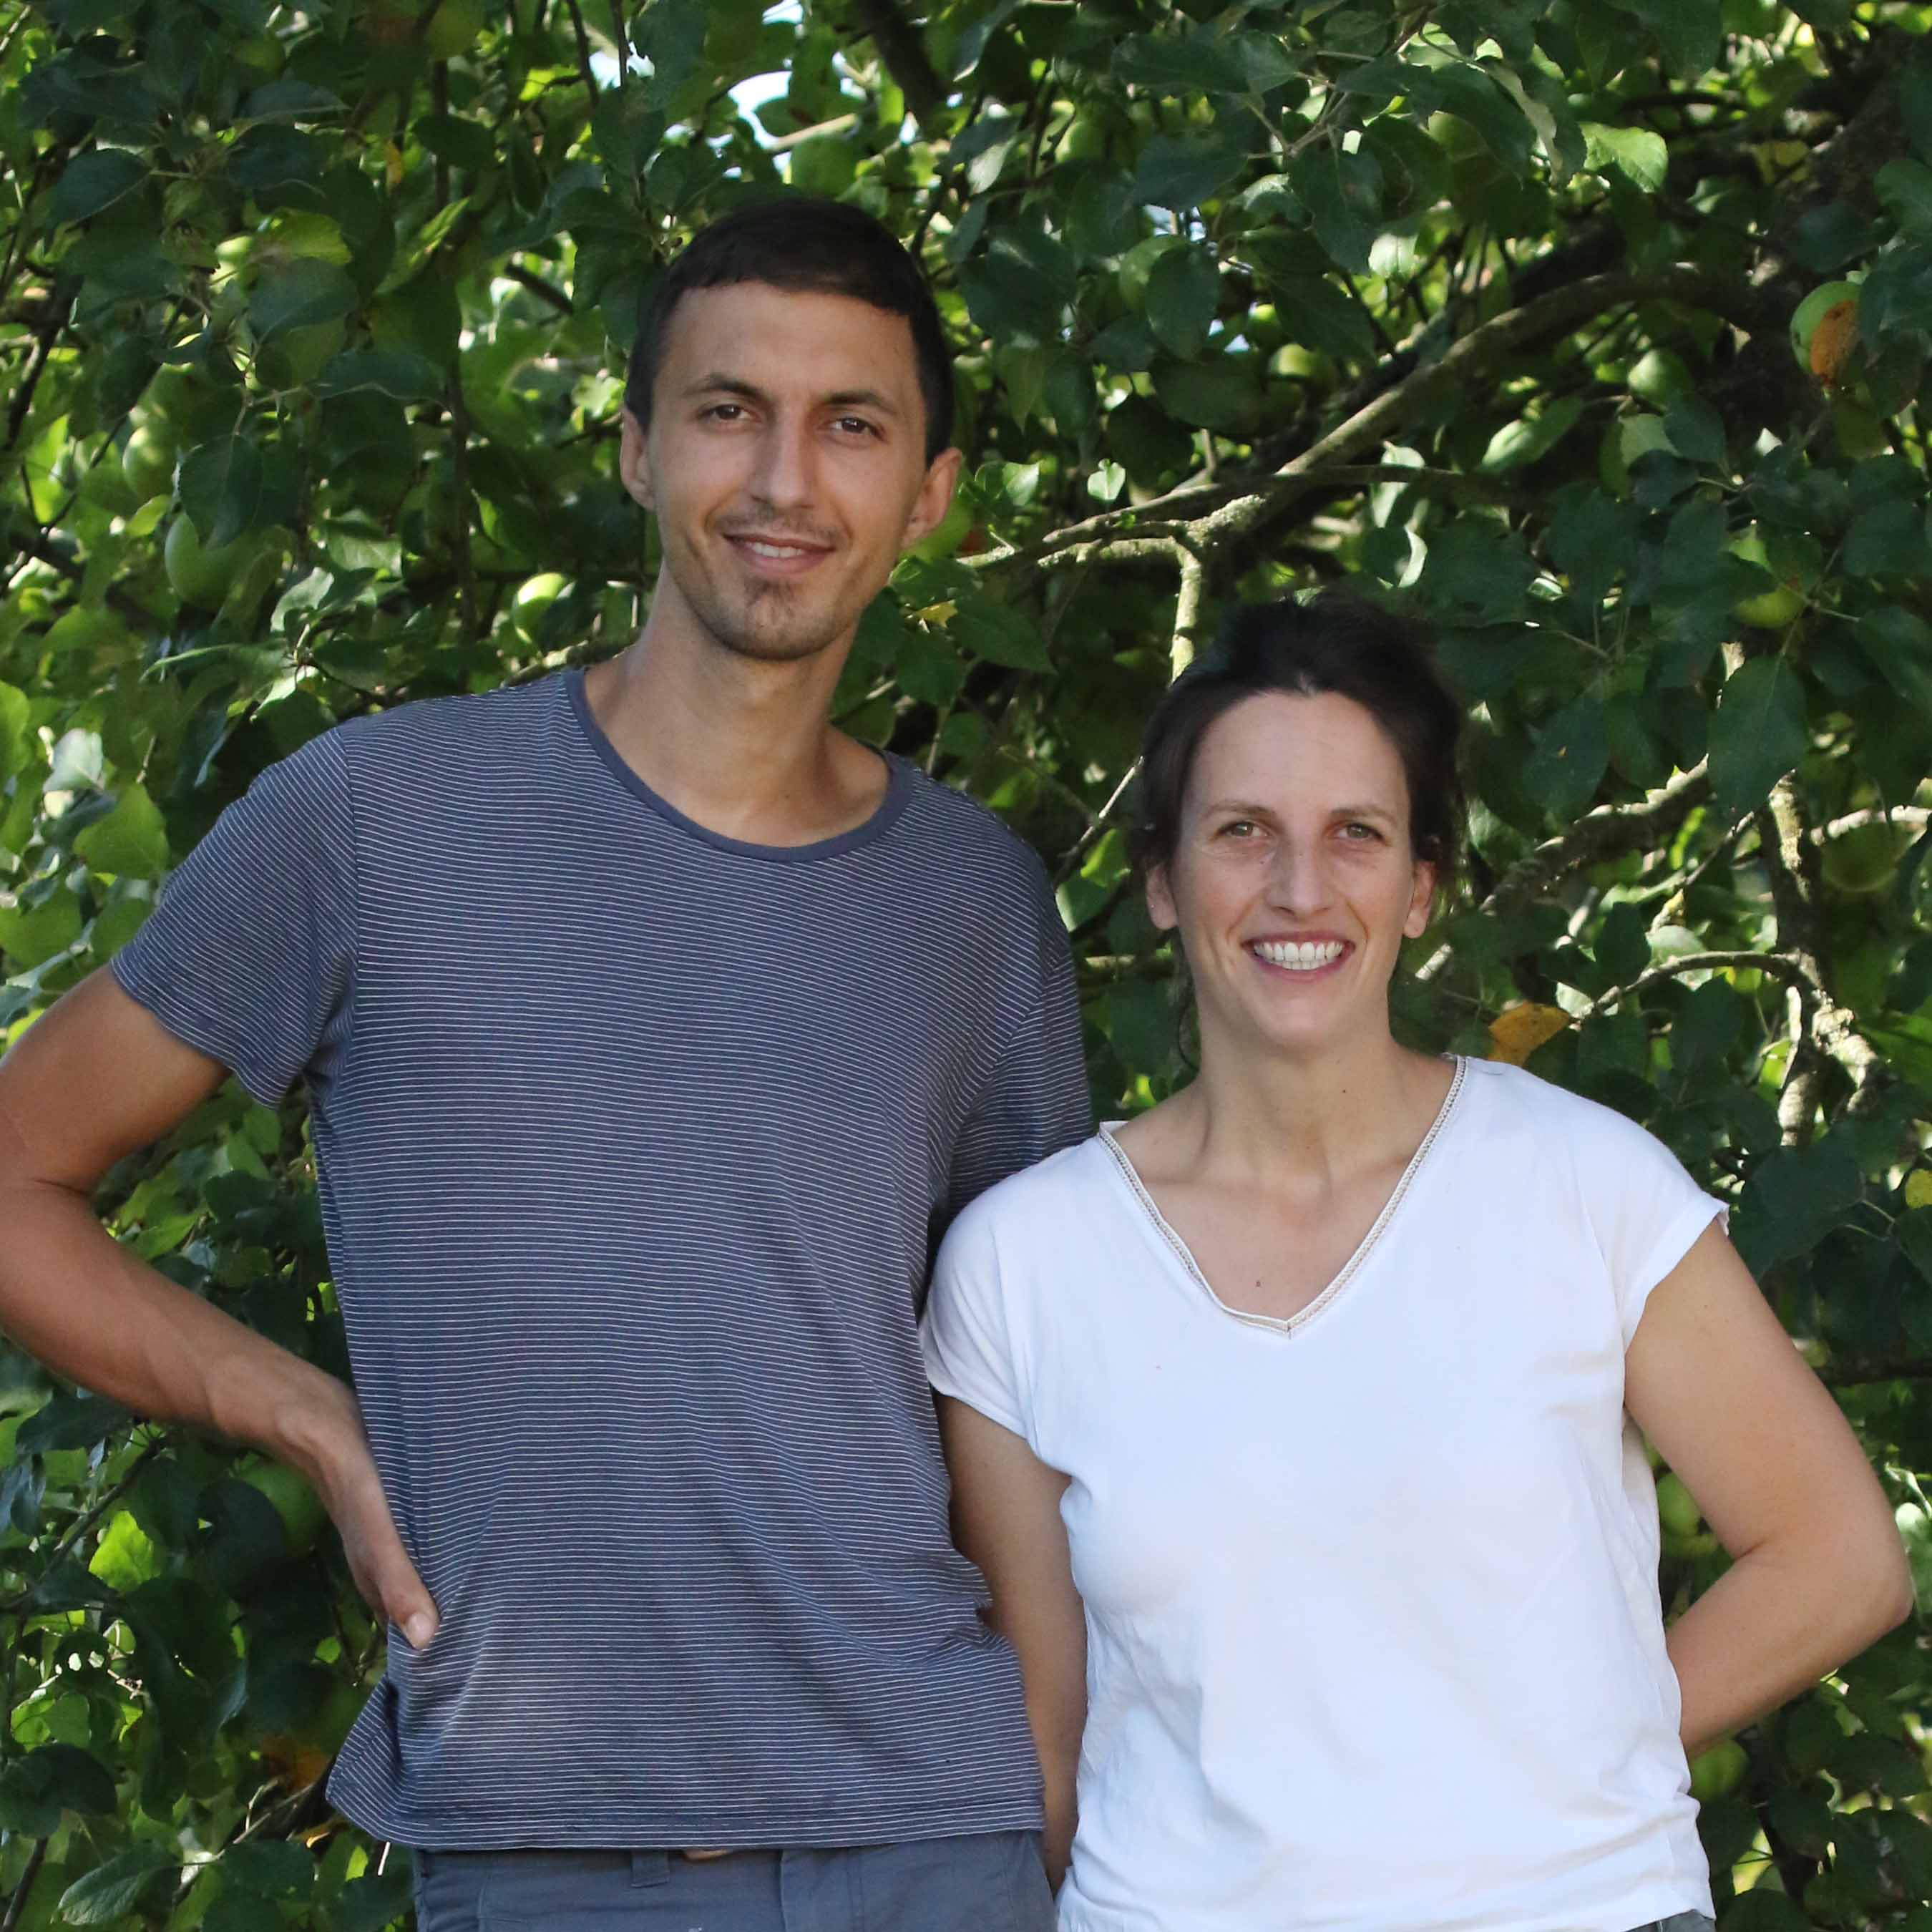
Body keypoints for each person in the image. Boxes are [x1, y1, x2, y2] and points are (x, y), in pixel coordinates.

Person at [0, 197, 1088, 1931]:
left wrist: (1049, 1782)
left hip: (936, 1837)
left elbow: (1024, 1392)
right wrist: (313, 1422)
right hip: (557, 1852)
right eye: (729, 410)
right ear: (638, 447)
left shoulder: (974, 904)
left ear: (930, 494)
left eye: (851, 425)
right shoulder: (375, 820)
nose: (785, 480)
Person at [921, 592, 1912, 1932]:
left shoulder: (1582, 1183)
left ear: (1423, 887)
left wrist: (1554, 1777)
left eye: (1357, 834)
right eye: (1242, 831)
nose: (1301, 888)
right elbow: (1050, 1741)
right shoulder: (1022, 1264)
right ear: (1160, 880)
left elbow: (1839, 1556)